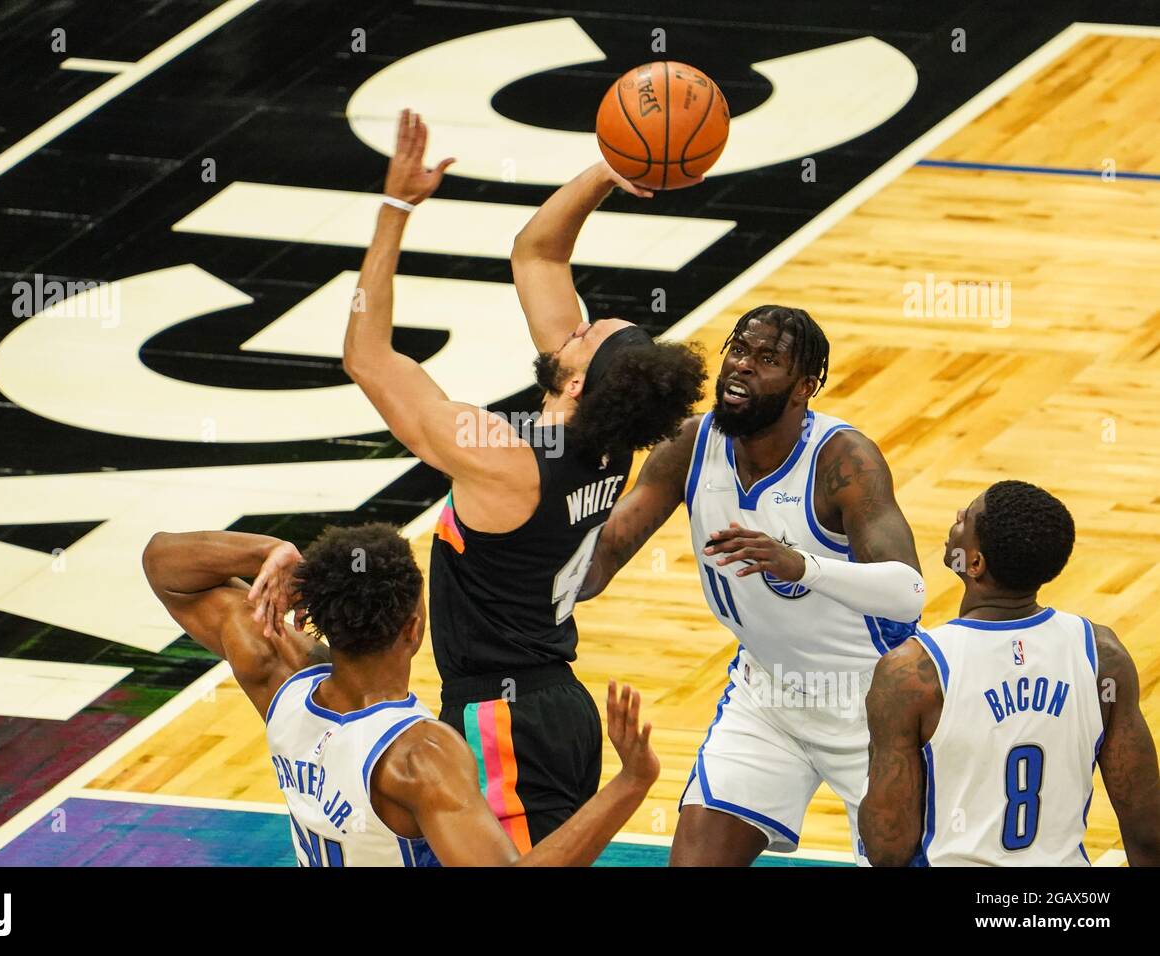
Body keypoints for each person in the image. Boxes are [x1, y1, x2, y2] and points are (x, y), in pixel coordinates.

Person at [248, 109, 705, 848]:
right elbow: (538, 256)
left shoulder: (505, 455)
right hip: (554, 701)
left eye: (586, 334)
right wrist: (604, 174)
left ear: (582, 380)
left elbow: (366, 357)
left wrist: (395, 211)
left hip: (502, 713)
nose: (575, 326)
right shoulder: (604, 440)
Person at [579, 304, 926, 865]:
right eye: (738, 351)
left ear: (803, 387)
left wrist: (801, 566)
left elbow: (908, 593)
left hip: (871, 702)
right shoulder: (691, 444)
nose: (742, 366)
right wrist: (527, 555)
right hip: (766, 694)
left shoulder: (843, 460)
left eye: (767, 360)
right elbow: (602, 560)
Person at [142, 522, 659, 866]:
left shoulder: (277, 673)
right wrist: (631, 782)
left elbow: (162, 565)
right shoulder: (420, 757)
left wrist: (269, 552)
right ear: (414, 630)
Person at [860, 480, 1160, 866]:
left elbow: (888, 847)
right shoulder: (1102, 657)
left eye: (965, 520)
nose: (956, 518)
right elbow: (1148, 831)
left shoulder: (913, 673)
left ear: (975, 563)